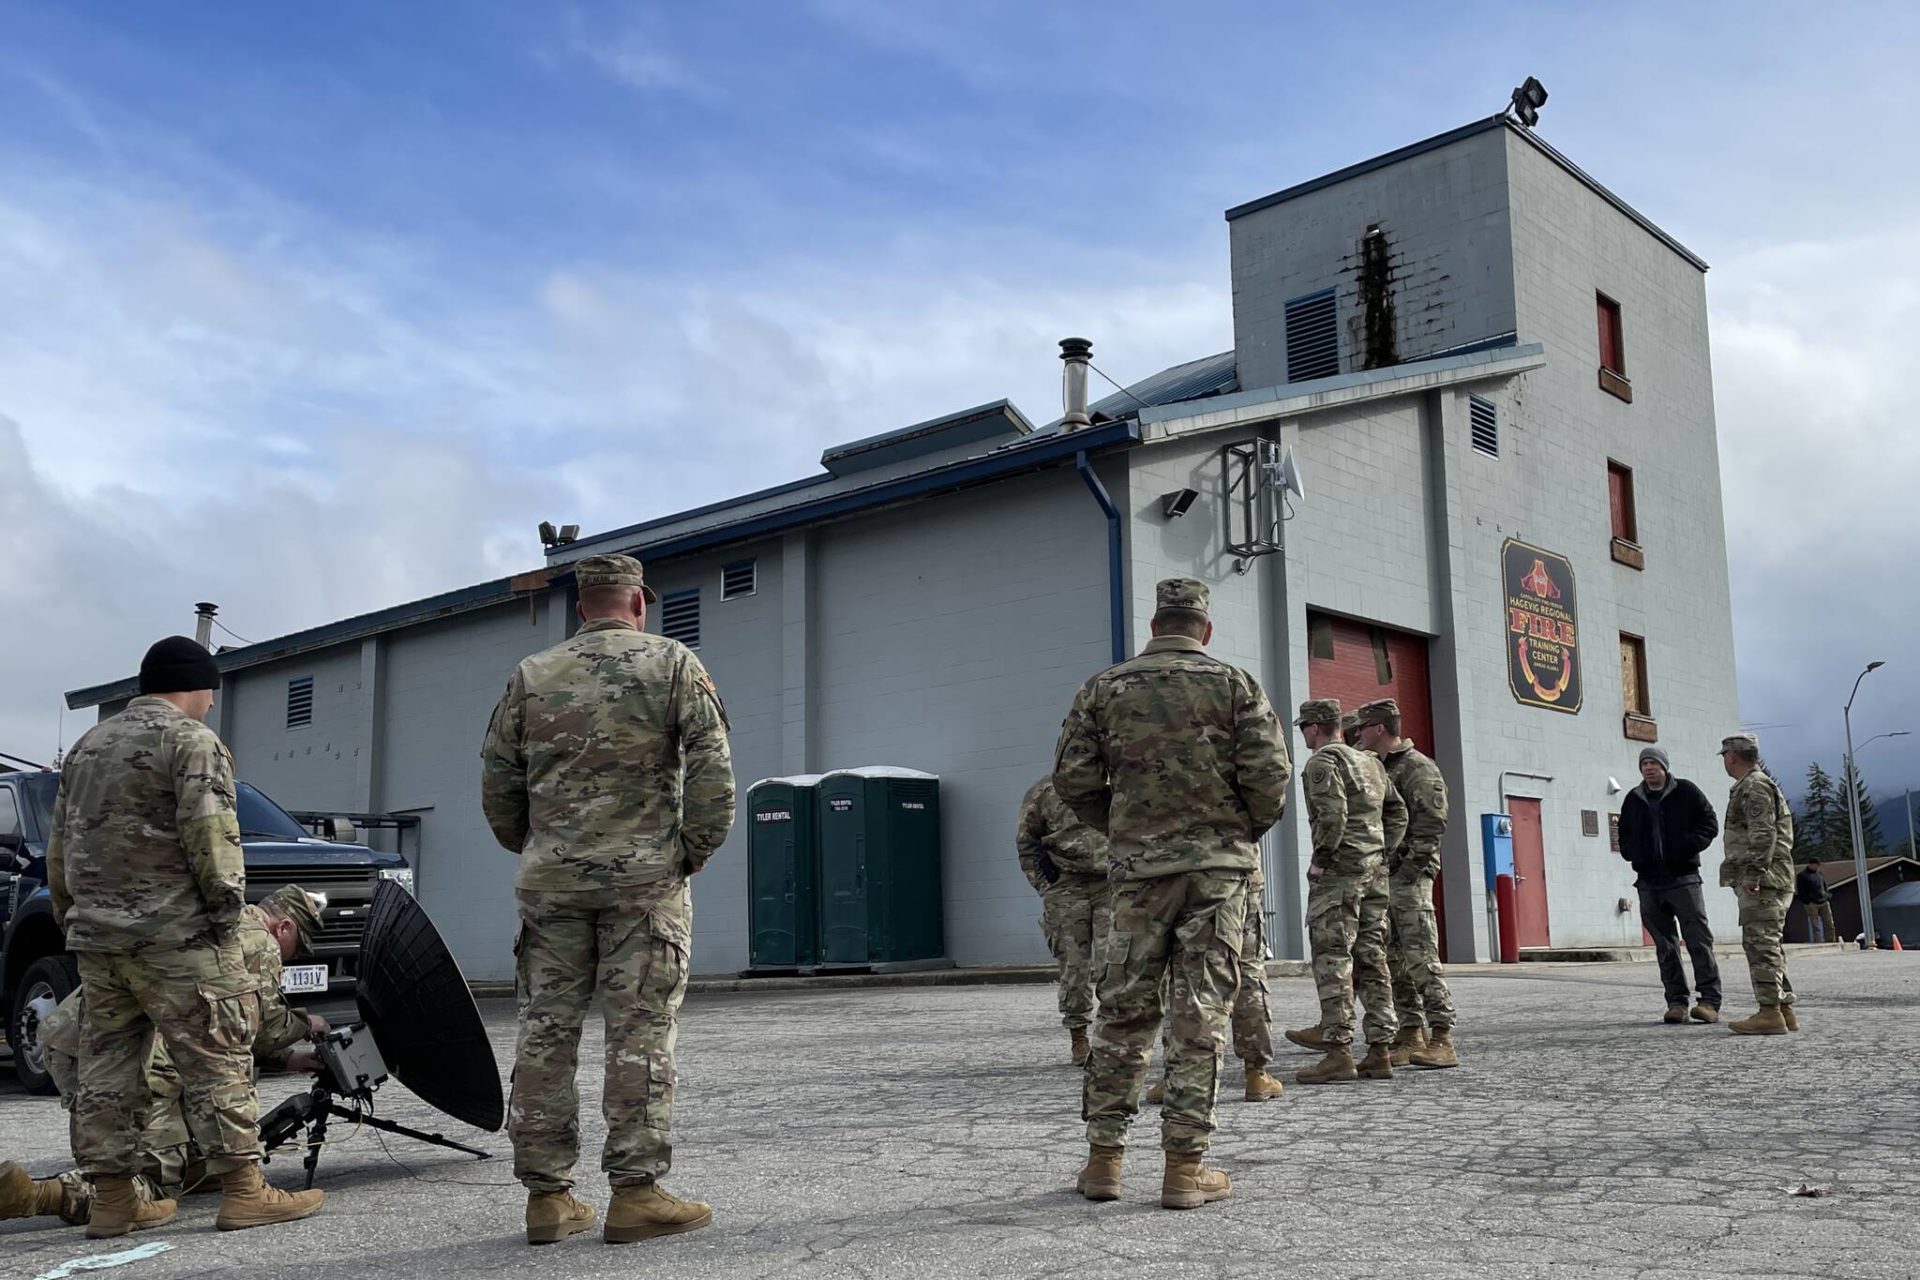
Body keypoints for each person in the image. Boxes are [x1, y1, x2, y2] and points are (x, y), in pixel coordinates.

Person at [481, 553, 735, 1246]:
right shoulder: (672, 663)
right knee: (640, 1033)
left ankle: (547, 1198)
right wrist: (695, 847)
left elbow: (497, 782)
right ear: (638, 603)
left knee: (545, 1034)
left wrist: (536, 848)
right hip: (643, 883)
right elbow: (712, 762)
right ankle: (635, 1192)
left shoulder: (532, 674)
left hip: (552, 882)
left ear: (581, 605)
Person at [46, 636, 323, 1238]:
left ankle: (115, 1201)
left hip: (99, 938)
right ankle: (245, 1193)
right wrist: (226, 917)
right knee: (217, 1058)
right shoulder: (192, 741)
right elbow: (213, 836)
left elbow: (61, 846)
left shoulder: (88, 746)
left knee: (108, 1069)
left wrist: (76, 915)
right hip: (178, 935)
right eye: (210, 696)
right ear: (200, 690)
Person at [1053, 578, 1290, 1211]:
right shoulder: (1236, 684)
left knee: (1124, 1011)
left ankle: (1104, 1161)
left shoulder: (1105, 688)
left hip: (1136, 874)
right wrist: (1233, 831)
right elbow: (1270, 777)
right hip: (1217, 872)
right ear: (1203, 630)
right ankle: (1184, 1171)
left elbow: (1072, 778)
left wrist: (1128, 829)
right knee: (1200, 1014)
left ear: (1155, 626)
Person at [3, 886, 329, 1228]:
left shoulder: (215, 925)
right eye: (298, 946)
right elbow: (261, 1026)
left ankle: (193, 1168)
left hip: (76, 1041)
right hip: (142, 1055)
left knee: (117, 1150)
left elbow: (231, 1025)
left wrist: (289, 1059)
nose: (294, 957)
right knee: (154, 1177)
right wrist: (306, 1024)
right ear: (285, 927)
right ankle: (35, 1195)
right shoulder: (259, 940)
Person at [1292, 699, 1405, 1085]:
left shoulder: (1323, 763)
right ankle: (1381, 1051)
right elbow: (1397, 812)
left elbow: (1332, 816)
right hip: (1374, 874)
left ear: (1314, 727)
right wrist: (1380, 850)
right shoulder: (1370, 761)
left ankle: (1338, 1051)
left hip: (1340, 875)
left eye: (1303, 727)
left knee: (1333, 957)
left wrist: (1321, 859)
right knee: (1373, 957)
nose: (1303, 734)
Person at [1355, 699, 1460, 1069]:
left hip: (1409, 877)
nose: (1358, 734)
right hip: (1386, 876)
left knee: (1419, 954)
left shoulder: (1418, 768)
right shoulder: (1379, 767)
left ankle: (1443, 1036)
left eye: (1363, 727)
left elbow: (1432, 825)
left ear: (1379, 728)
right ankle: (1411, 1032)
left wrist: (1408, 871)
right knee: (1393, 958)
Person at [1615, 746, 1722, 1024]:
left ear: (1664, 767)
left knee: (1698, 941)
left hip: (1684, 880)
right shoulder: (1632, 799)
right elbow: (1623, 833)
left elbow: (1709, 823)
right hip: (1649, 884)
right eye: (1644, 764)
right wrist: (1632, 853)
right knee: (1665, 946)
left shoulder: (1686, 791)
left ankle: (1709, 1001)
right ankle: (1676, 1003)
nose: (1649, 768)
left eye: (1653, 763)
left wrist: (1687, 846)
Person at [1016, 776, 1111, 1066]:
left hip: (1112, 883)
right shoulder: (1045, 791)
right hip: (1067, 886)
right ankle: (1079, 1036)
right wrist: (1047, 885)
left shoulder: (1119, 782)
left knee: (1117, 963)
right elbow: (1026, 841)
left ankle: (1113, 1040)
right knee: (1074, 966)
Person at [1718, 733, 1799, 1035]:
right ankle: (1784, 1008)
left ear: (1731, 757)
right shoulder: (1754, 785)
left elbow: (1762, 833)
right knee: (1769, 943)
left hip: (1764, 879)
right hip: (1770, 876)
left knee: (1760, 943)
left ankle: (1769, 1013)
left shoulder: (1754, 786)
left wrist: (1753, 874)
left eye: (1725, 756)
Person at [1797, 862, 1836, 944]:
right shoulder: (1802, 875)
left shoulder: (1819, 874)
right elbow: (1801, 890)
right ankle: (1818, 941)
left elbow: (1825, 886)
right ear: (1811, 864)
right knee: (1815, 925)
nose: (1818, 867)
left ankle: (1831, 940)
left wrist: (1827, 896)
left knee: (1829, 923)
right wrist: (1806, 901)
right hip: (1811, 903)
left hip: (1824, 901)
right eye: (1816, 865)